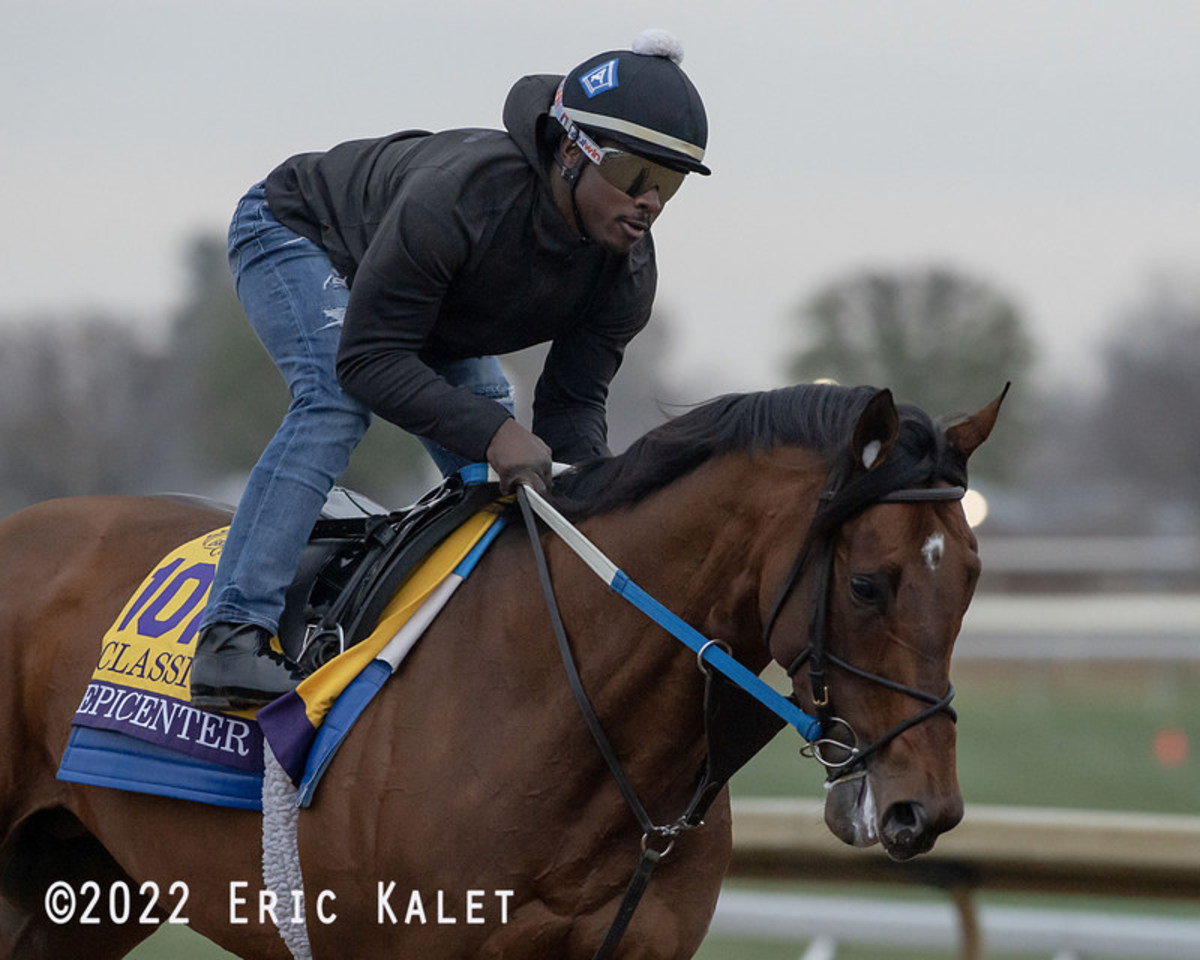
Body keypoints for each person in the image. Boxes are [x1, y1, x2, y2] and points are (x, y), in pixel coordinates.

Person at [189, 29, 710, 711]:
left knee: (505, 442)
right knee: (335, 401)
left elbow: (571, 411)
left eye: (666, 183)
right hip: (300, 233)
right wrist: (497, 436)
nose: (648, 201)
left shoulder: (626, 273)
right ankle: (233, 635)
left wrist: (593, 509)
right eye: (631, 175)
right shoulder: (460, 199)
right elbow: (368, 358)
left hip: (420, 305)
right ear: (570, 151)